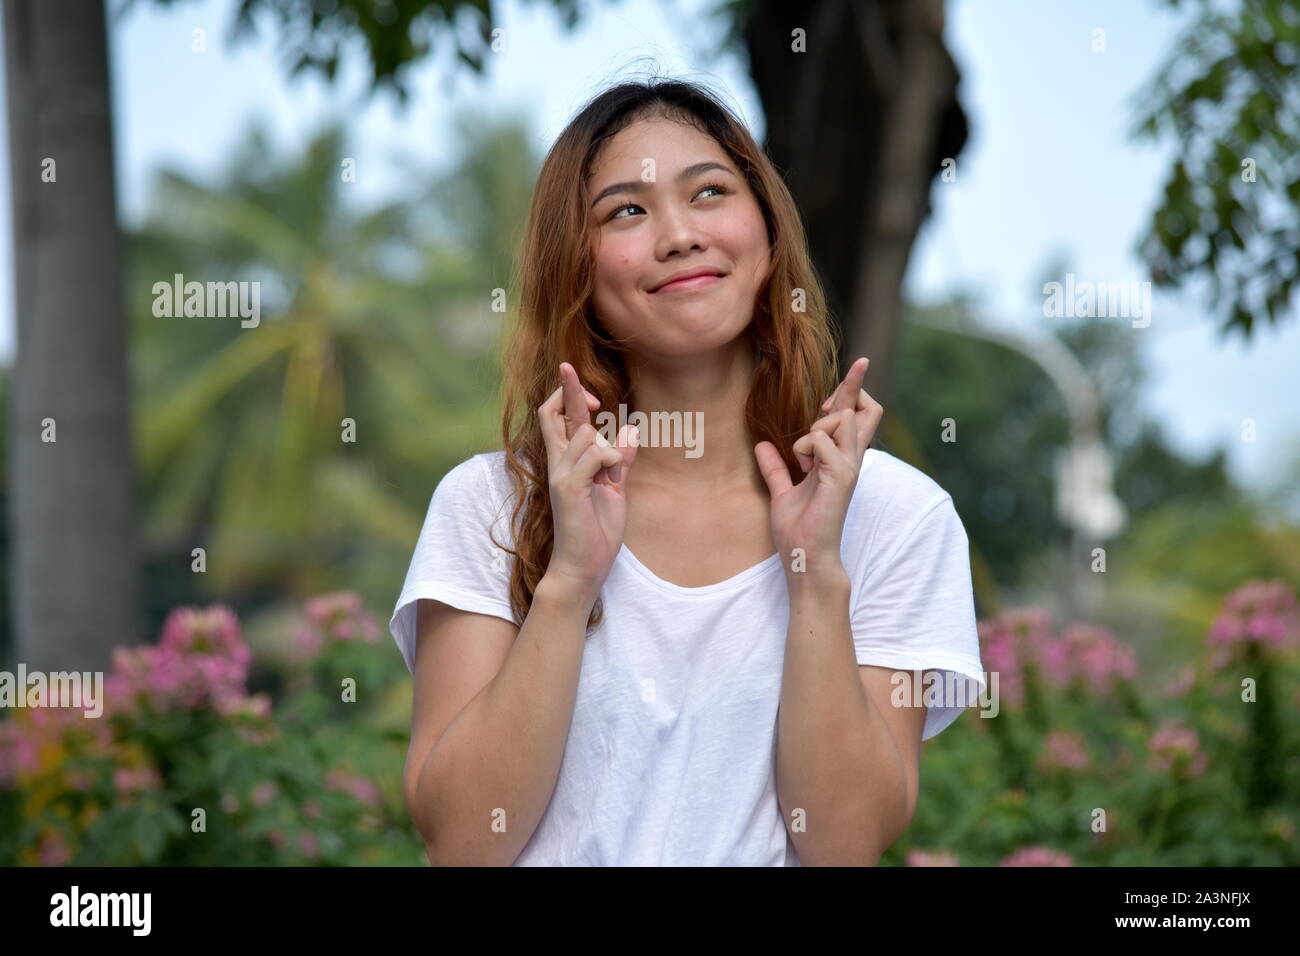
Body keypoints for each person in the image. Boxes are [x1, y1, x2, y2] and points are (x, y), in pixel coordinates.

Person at [390, 78, 986, 866]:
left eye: (709, 192)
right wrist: (569, 581)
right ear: (579, 268)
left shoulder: (894, 513)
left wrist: (814, 575)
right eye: (626, 211)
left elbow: (842, 847)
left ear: (767, 233)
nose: (678, 235)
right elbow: (464, 842)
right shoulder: (493, 502)